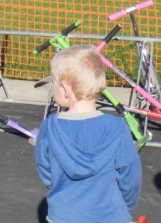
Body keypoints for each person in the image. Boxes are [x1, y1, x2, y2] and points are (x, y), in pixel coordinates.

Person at [35, 44, 141, 223]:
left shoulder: (50, 127)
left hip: (64, 215)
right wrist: (124, 205)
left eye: (53, 82)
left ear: (65, 90)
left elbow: (46, 172)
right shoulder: (117, 127)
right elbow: (130, 174)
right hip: (110, 215)